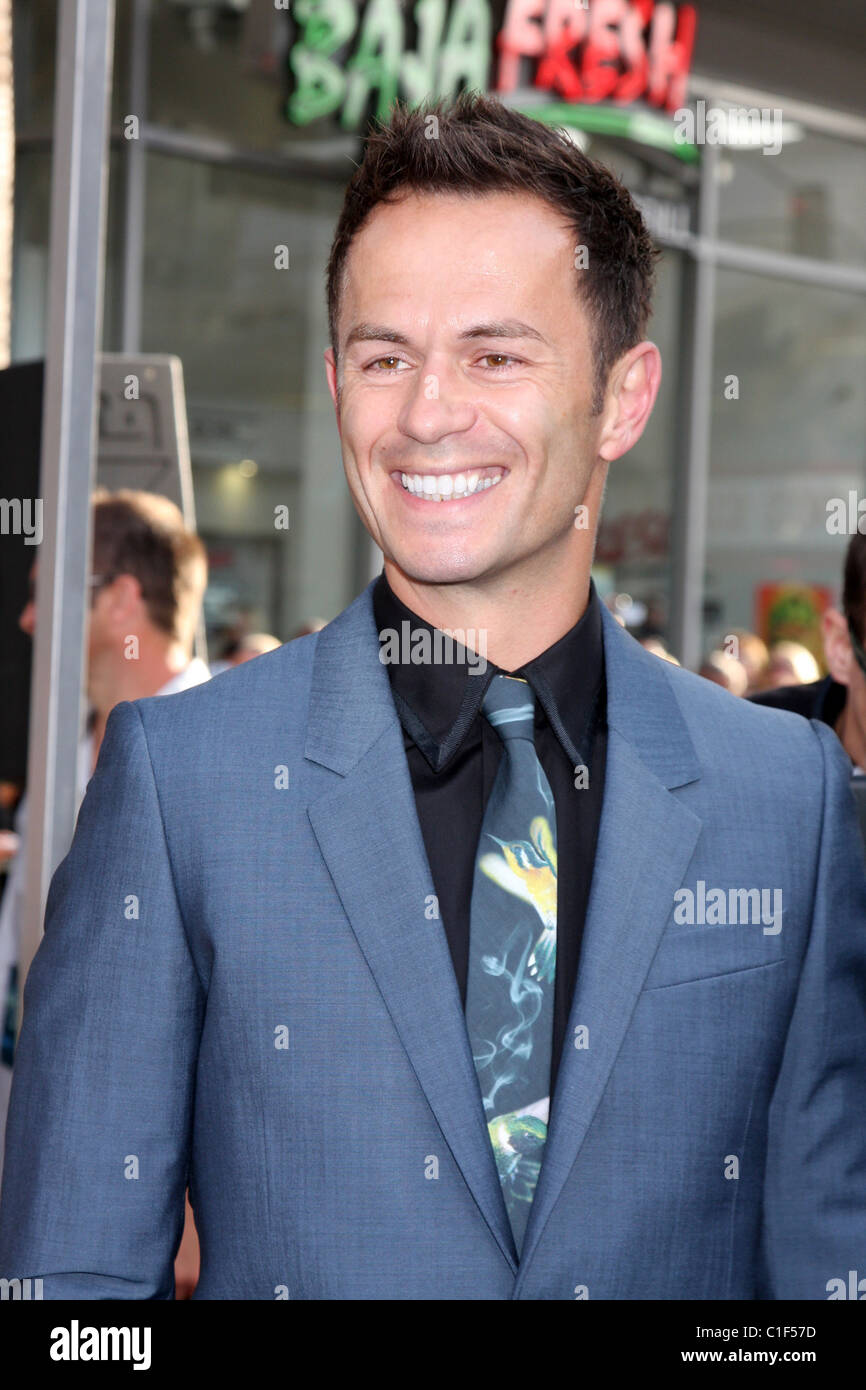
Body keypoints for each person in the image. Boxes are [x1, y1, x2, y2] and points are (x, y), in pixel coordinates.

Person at [1, 94, 865, 1301]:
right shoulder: (181, 781)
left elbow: (823, 1276)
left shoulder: (786, 796)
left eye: (494, 355)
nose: (424, 412)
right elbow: (72, 1299)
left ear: (623, 396)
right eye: (383, 356)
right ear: (335, 381)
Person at [0, 490, 210, 1283]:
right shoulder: (65, 751)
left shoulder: (221, 765)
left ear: (121, 597)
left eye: (44, 588)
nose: (28, 618)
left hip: (144, 1239)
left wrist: (193, 1212)